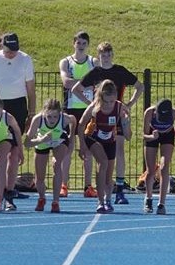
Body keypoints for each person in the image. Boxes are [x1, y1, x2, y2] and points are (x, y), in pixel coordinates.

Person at [72, 42, 143, 204]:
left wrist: (129, 105)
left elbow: (140, 86)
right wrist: (89, 103)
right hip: (99, 117)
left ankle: (118, 187)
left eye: (108, 55)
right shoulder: (95, 72)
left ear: (112, 55)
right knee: (97, 153)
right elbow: (76, 88)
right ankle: (94, 186)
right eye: (102, 55)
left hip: (116, 115)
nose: (105, 58)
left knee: (119, 149)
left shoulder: (119, 71)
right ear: (98, 56)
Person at [0, 32, 36, 205]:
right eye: (9, 50)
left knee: (13, 152)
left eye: (14, 50)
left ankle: (9, 192)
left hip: (18, 106)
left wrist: (31, 114)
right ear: (2, 46)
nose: (12, 53)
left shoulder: (25, 59)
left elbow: (31, 90)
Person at [78, 80, 131, 213]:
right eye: (106, 102)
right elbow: (80, 124)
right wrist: (83, 145)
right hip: (92, 137)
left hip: (109, 140)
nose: (108, 105)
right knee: (103, 162)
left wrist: (125, 122)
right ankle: (100, 201)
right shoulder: (94, 107)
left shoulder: (120, 108)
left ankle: (108, 199)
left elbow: (129, 136)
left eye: (111, 102)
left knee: (108, 174)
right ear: (101, 98)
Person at [58, 31, 95, 198]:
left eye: (84, 43)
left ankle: (88, 186)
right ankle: (64, 184)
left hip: (88, 109)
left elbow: (99, 81)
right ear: (74, 43)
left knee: (87, 149)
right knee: (68, 148)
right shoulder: (66, 62)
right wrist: (86, 84)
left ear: (87, 45)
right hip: (70, 109)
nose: (80, 46)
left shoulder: (93, 62)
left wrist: (82, 85)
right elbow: (66, 82)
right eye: (78, 43)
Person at [24, 99, 76, 213]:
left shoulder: (65, 119)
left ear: (60, 114)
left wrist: (71, 138)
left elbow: (73, 120)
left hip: (59, 141)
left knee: (57, 165)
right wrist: (41, 140)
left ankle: (55, 202)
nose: (52, 120)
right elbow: (27, 143)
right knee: (39, 178)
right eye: (49, 116)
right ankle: (42, 198)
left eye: (55, 117)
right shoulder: (38, 120)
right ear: (44, 114)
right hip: (42, 142)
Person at [142, 98, 175, 215]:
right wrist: (152, 137)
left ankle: (161, 203)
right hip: (152, 135)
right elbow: (144, 135)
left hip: (167, 135)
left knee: (164, 167)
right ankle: (148, 198)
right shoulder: (149, 113)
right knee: (150, 170)